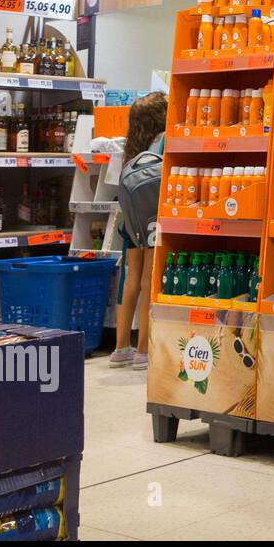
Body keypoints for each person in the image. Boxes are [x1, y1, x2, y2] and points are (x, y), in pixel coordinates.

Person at [109, 92, 167, 369]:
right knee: (149, 281)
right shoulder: (165, 139)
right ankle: (143, 349)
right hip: (155, 218)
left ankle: (121, 347)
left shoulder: (131, 145)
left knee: (130, 281)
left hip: (130, 219)